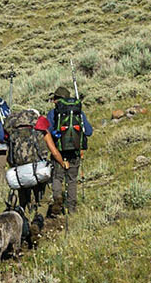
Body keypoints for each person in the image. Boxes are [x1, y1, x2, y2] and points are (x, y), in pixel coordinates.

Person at [47, 85, 91, 214]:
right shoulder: (78, 112)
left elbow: (47, 132)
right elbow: (89, 131)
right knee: (72, 180)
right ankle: (71, 209)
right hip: (75, 152)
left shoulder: (53, 113)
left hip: (59, 151)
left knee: (57, 177)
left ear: (57, 99)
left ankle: (57, 200)